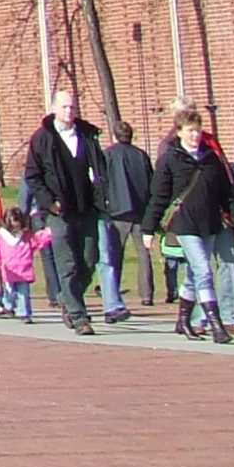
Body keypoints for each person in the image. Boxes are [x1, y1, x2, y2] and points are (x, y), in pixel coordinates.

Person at [139, 102, 234, 344]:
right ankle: (215, 323)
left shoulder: (210, 159)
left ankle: (183, 319)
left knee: (193, 273)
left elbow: (226, 193)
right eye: (190, 130)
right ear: (179, 131)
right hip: (184, 223)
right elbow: (158, 196)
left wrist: (233, 216)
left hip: (209, 222)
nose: (194, 135)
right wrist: (148, 228)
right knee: (203, 269)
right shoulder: (170, 159)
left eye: (197, 130)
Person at [21, 85, 107, 334]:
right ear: (54, 109)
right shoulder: (43, 138)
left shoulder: (87, 136)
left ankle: (67, 299)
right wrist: (49, 203)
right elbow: (33, 176)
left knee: (89, 260)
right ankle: (79, 316)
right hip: (58, 212)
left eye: (72, 107)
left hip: (86, 208)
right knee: (66, 263)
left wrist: (103, 197)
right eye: (64, 107)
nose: (69, 111)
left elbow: (100, 170)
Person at [98, 120, 155, 321]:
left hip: (116, 210)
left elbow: (101, 180)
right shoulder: (141, 156)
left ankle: (113, 290)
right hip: (140, 210)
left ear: (115, 136)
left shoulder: (108, 155)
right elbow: (151, 183)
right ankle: (147, 294)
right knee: (144, 255)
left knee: (114, 255)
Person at [0, 210, 50, 323]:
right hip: (9, 273)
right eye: (13, 225)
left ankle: (24, 314)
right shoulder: (0, 237)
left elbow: (38, 241)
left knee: (24, 294)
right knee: (10, 293)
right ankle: (8, 306)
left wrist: (48, 233)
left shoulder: (27, 236)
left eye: (18, 225)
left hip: (24, 272)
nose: (16, 228)